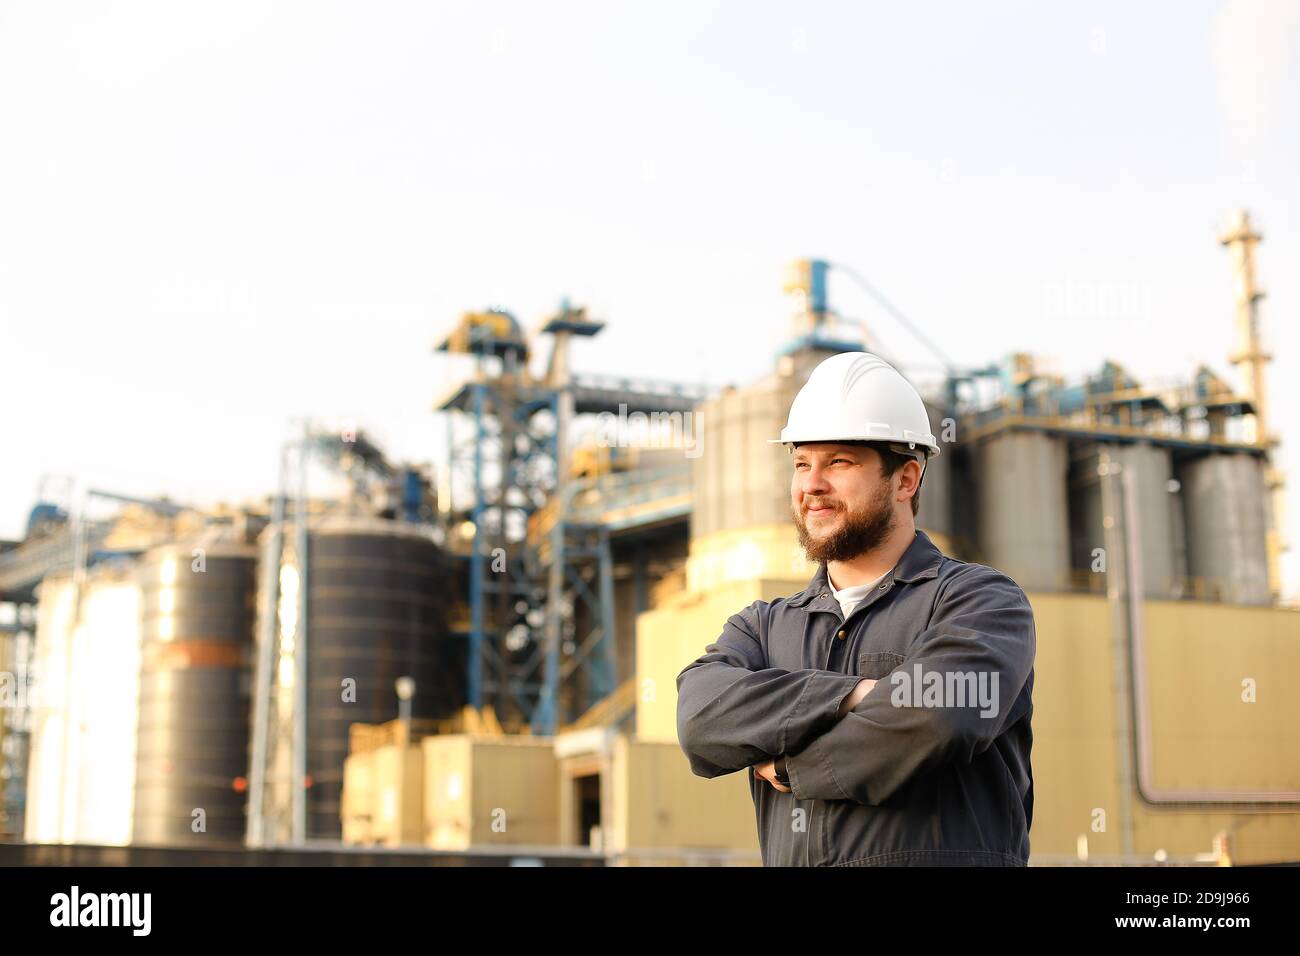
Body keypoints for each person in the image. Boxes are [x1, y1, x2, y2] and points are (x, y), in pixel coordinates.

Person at [676, 351, 1036, 866]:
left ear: (906, 479)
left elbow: (942, 716)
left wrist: (792, 765)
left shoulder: (980, 602)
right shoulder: (763, 626)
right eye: (802, 463)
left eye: (839, 462)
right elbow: (701, 719)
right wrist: (856, 696)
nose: (811, 485)